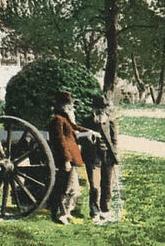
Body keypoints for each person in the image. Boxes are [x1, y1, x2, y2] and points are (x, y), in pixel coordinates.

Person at [47, 91, 84, 224]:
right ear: (61, 106)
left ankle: (66, 212)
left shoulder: (64, 118)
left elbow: (75, 127)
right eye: (68, 104)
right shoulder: (57, 119)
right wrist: (66, 159)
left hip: (71, 157)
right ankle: (61, 214)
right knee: (66, 187)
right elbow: (60, 141)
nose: (70, 107)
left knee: (74, 188)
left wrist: (89, 131)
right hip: (64, 158)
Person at [82, 94, 120, 223]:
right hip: (93, 158)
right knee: (95, 187)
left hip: (107, 158)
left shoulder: (110, 122)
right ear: (93, 108)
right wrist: (87, 138)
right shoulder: (87, 121)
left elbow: (114, 141)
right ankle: (94, 212)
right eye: (98, 108)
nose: (100, 111)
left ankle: (105, 210)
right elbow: (80, 137)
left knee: (107, 186)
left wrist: (116, 156)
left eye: (103, 108)